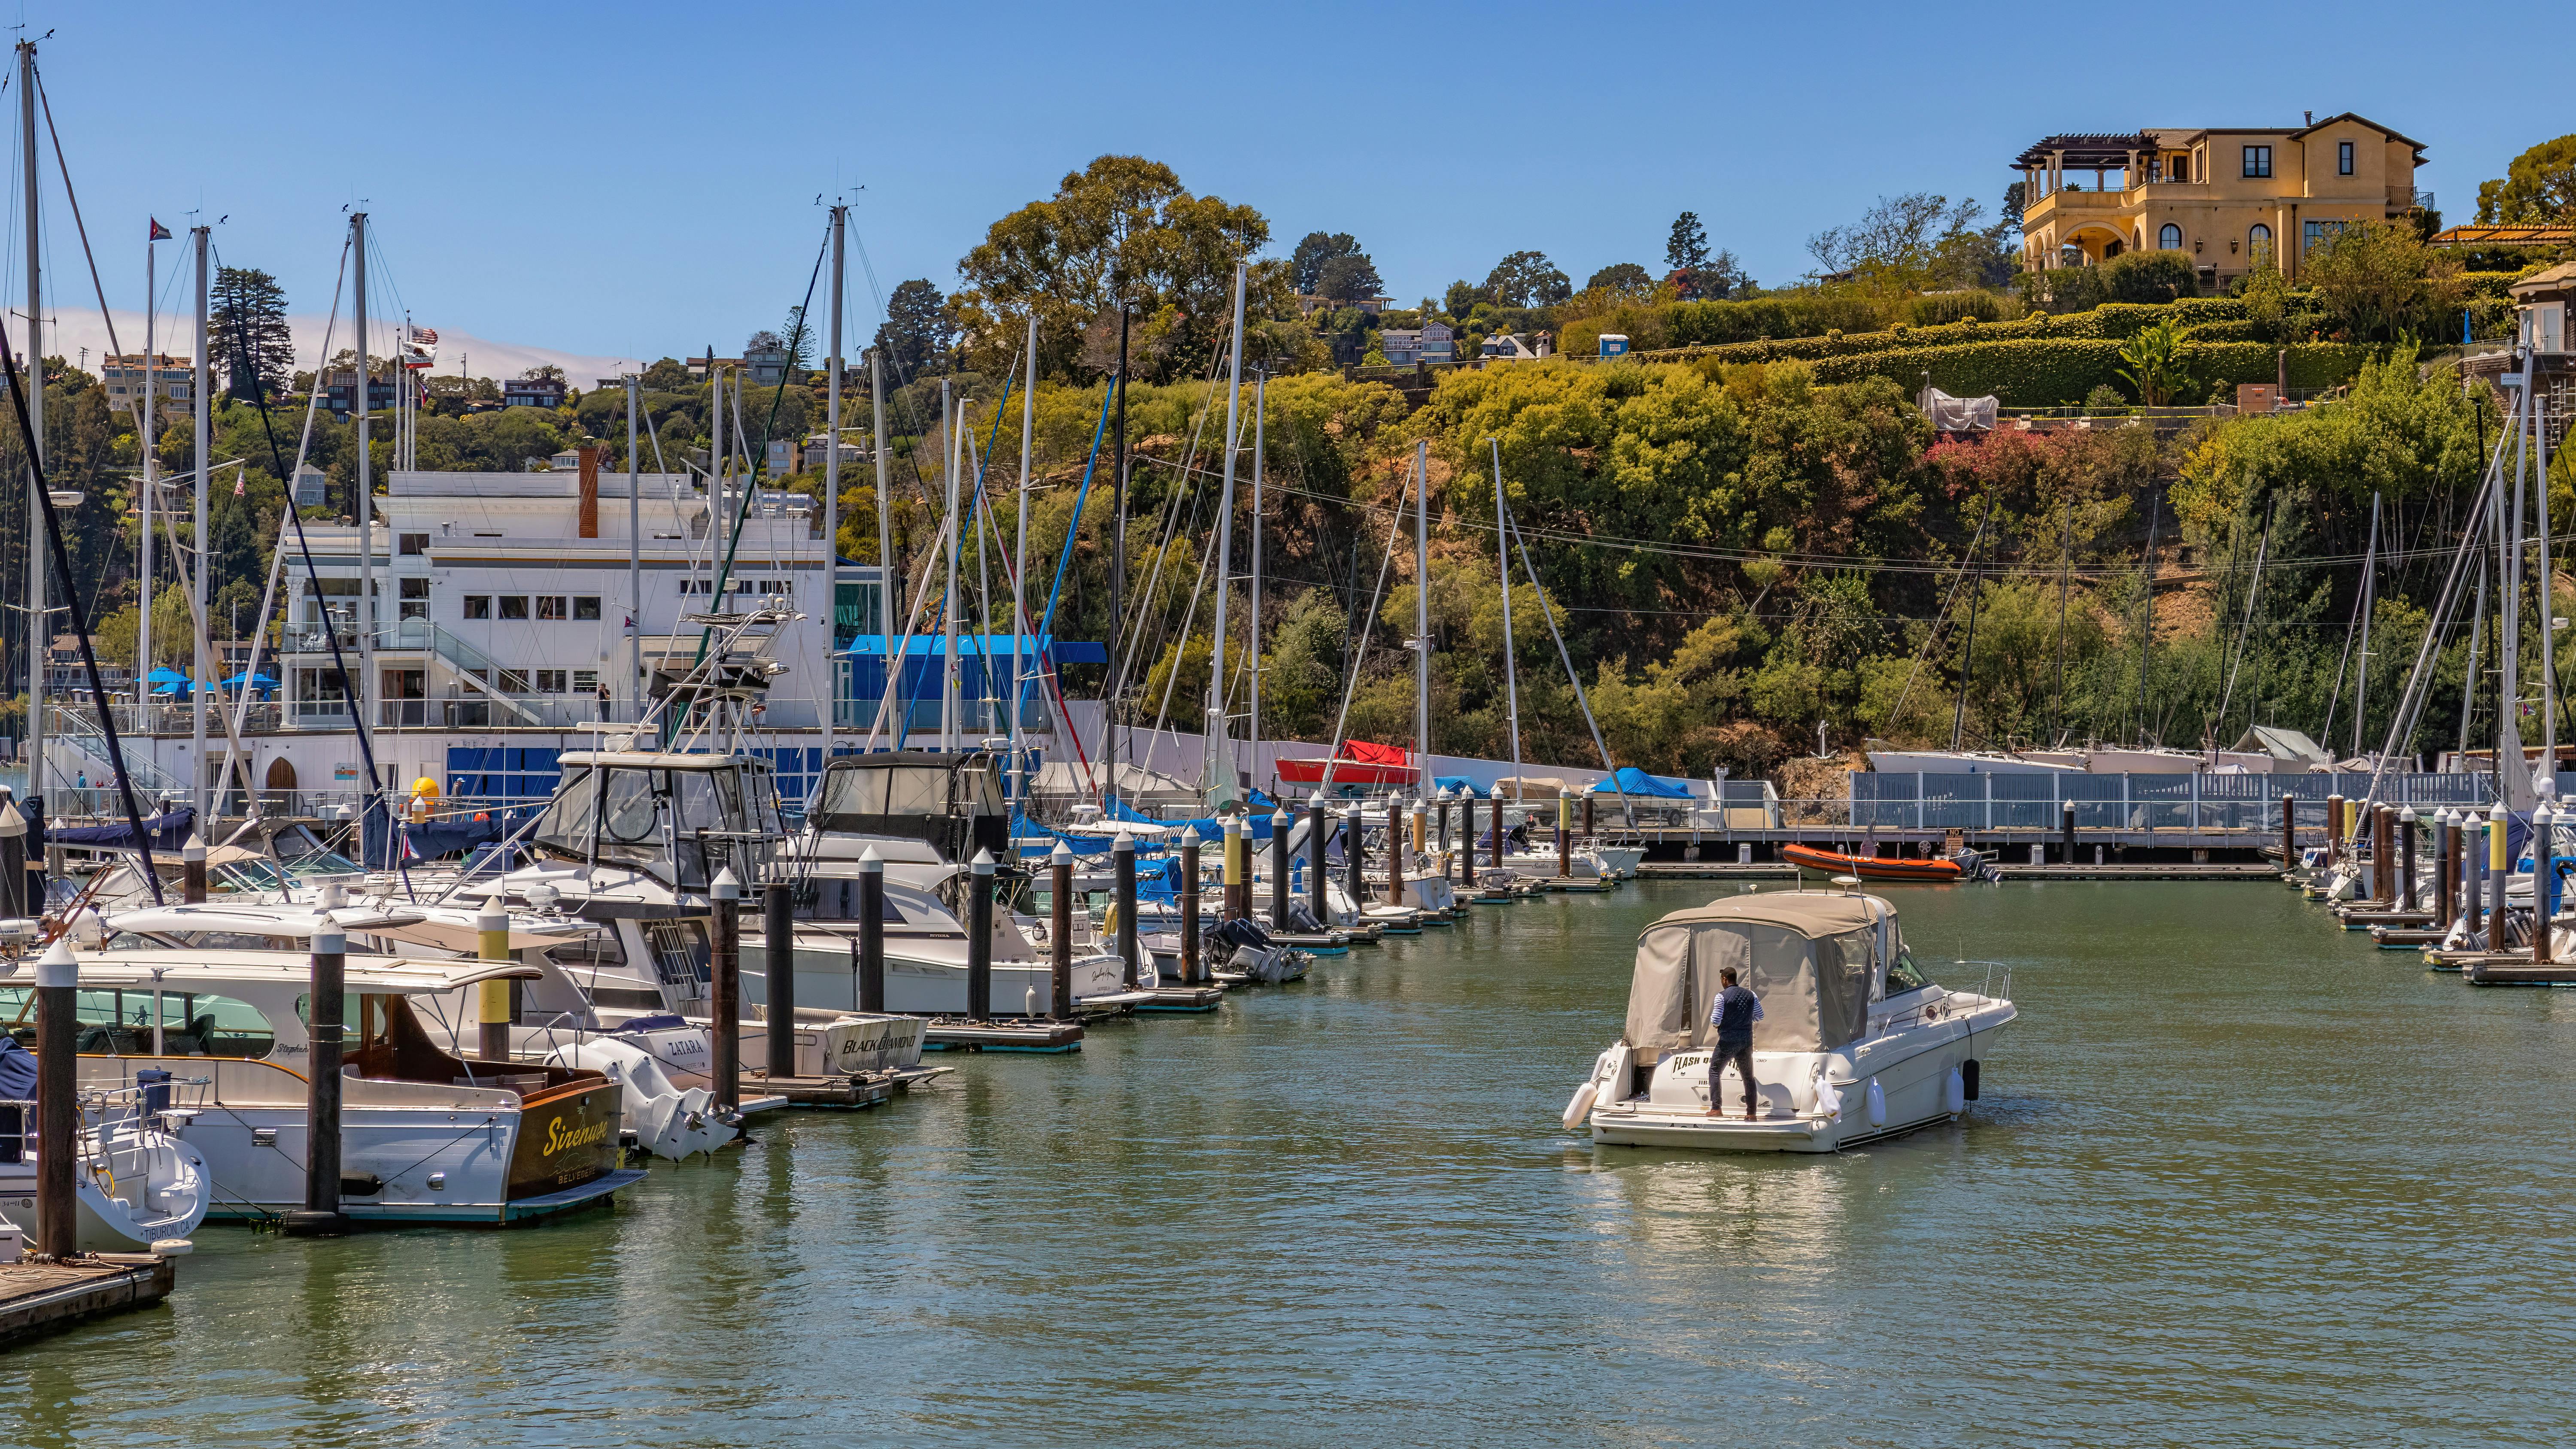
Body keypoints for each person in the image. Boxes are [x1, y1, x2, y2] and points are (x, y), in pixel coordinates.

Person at [1706, 965, 1764, 1120]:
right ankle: (1751, 1113)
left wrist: (1720, 1024)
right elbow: (1760, 1016)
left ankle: (1716, 1108)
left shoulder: (1721, 997)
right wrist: (1745, 1019)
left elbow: (1715, 1020)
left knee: (1715, 1071)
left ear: (1725, 979)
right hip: (1745, 1041)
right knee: (1748, 1077)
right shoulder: (1751, 995)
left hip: (1727, 1041)